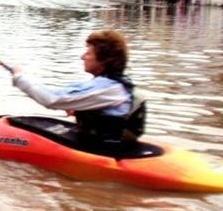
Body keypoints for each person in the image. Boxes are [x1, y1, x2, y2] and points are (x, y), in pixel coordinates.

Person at [10, 29, 145, 151]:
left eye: (88, 53)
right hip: (117, 143)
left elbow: (51, 99)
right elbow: (113, 112)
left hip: (106, 149)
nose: (82, 57)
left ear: (104, 60)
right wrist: (83, 111)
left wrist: (20, 77)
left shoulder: (107, 87)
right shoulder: (119, 84)